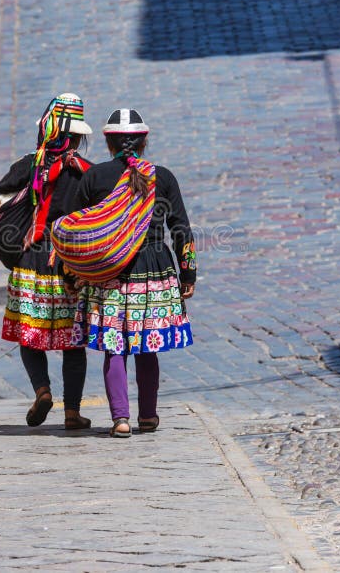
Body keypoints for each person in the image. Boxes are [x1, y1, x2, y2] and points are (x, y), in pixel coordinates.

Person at [70, 109, 196, 437]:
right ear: (144, 141)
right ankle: (148, 417)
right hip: (155, 271)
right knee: (147, 344)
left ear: (109, 143)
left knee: (115, 346)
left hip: (108, 272)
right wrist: (188, 273)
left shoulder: (95, 178)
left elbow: (76, 230)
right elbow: (181, 227)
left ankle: (120, 419)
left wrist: (74, 273)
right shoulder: (163, 177)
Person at [0, 93, 93, 429]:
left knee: (29, 336)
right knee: (73, 342)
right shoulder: (85, 173)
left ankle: (43, 391)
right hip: (68, 268)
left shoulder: (28, 165)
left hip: (30, 262)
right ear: (76, 137)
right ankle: (73, 412)